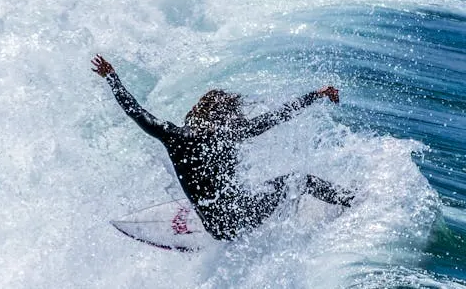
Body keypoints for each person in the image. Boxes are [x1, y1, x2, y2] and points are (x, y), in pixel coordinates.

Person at [92, 54, 353, 240]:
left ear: (197, 111)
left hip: (216, 228)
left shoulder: (173, 136)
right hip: (243, 218)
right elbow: (275, 117)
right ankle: (351, 201)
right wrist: (316, 95)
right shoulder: (229, 135)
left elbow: (137, 112)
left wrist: (112, 78)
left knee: (244, 191)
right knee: (301, 180)